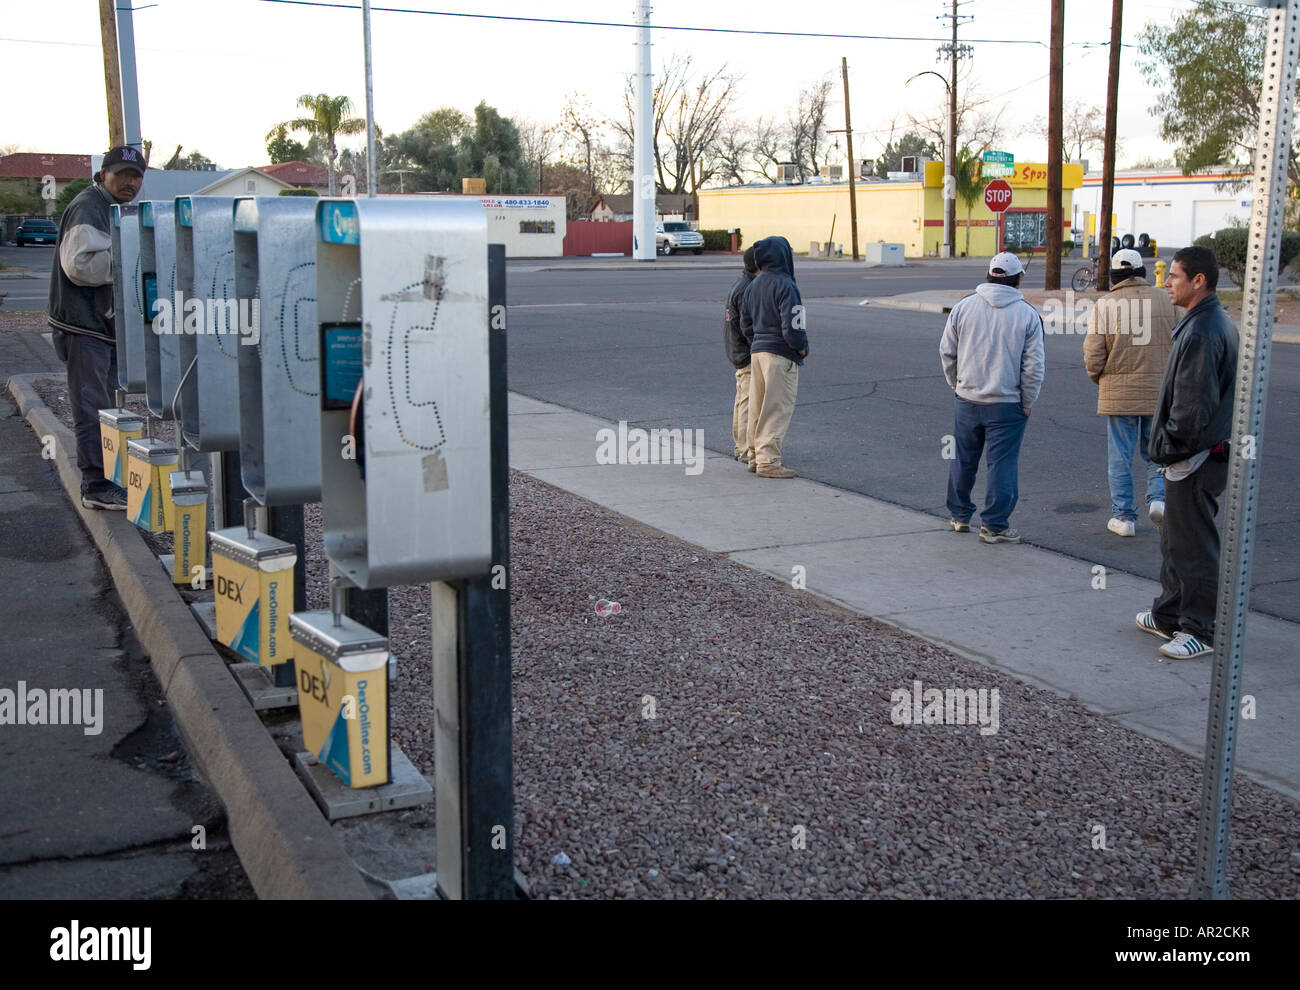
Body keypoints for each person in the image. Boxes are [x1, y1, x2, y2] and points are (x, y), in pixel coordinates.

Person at [1137, 246, 1237, 661]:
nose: (1166, 282)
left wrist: (1168, 446)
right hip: (1190, 454)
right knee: (1177, 541)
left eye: (1174, 276)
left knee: (1193, 544)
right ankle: (1170, 614)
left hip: (1195, 457)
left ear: (1199, 281)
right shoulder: (1203, 322)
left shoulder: (1203, 330)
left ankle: (1199, 628)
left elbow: (1192, 409)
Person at [48, 145, 145, 509]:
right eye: (122, 175)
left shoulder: (111, 208)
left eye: (136, 177)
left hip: (100, 326)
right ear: (104, 174)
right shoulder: (89, 206)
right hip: (82, 325)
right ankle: (96, 486)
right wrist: (128, 260)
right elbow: (79, 265)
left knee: (106, 406)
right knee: (92, 407)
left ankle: (109, 481)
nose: (130, 183)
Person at [940, 251, 1045, 544]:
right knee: (1002, 463)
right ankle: (994, 526)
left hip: (968, 399)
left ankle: (959, 516)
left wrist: (957, 385)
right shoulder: (1027, 314)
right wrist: (1027, 401)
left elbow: (947, 352)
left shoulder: (964, 308)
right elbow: (1033, 367)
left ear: (989, 275)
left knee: (963, 458)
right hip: (1007, 403)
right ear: (1017, 279)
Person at [1084, 248, 1178, 537]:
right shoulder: (1167, 300)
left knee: (1119, 456)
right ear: (1142, 272)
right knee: (1156, 453)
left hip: (1118, 393)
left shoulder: (1106, 304)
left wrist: (1100, 378)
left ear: (1115, 275)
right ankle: (1158, 500)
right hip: (1159, 392)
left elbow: (1093, 354)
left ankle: (1123, 518)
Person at [740, 235, 807, 479]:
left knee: (757, 407)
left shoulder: (754, 284)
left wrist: (755, 341)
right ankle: (768, 460)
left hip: (757, 351)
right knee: (776, 408)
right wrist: (800, 348)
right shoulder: (787, 285)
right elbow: (794, 323)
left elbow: (744, 322)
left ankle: (754, 457)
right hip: (780, 353)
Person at [723, 247, 758, 461]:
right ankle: (744, 447)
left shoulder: (740, 284)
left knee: (741, 399)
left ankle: (740, 445)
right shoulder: (749, 288)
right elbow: (748, 325)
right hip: (745, 351)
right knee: (746, 400)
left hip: (736, 348)